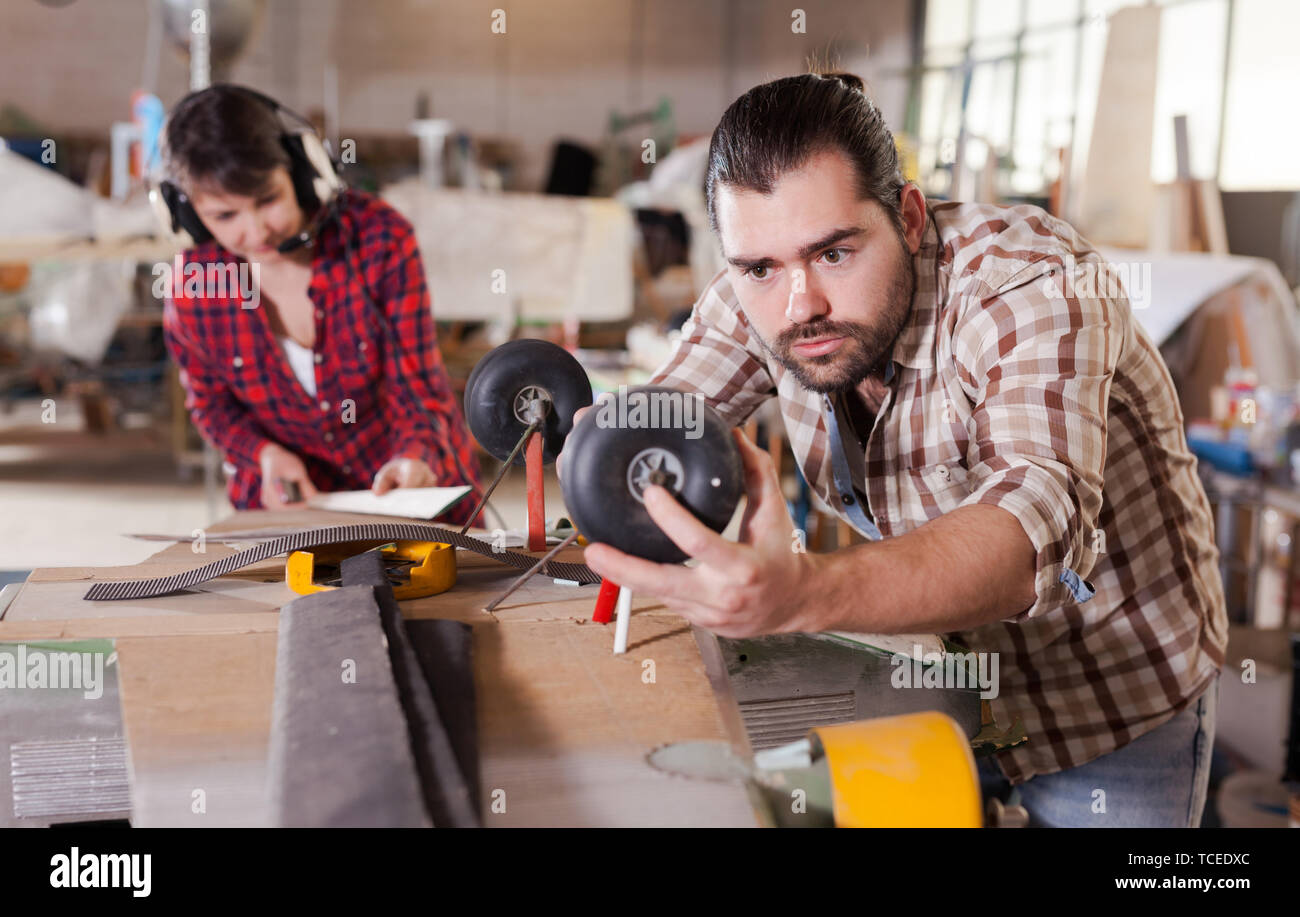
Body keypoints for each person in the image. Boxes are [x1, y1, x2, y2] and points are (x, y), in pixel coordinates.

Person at [577, 72, 1226, 827]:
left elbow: (1030, 525)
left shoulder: (1031, 280)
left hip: (1112, 692)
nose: (802, 305)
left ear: (909, 217)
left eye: (836, 254)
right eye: (760, 267)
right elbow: (648, 429)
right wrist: (581, 445)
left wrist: (802, 593)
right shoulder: (763, 292)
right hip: (940, 679)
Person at [157, 84, 480, 520]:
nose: (256, 232)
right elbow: (210, 403)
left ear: (302, 172)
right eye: (225, 216)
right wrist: (262, 454)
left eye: (268, 200)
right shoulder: (195, 285)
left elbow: (416, 387)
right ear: (188, 213)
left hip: (409, 497)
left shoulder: (379, 240)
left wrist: (416, 457)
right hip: (289, 511)